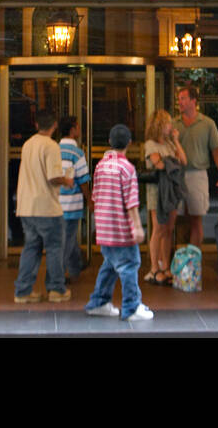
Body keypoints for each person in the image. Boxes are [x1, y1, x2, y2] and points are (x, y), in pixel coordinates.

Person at [85, 123, 153, 321]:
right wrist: (138, 227)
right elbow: (131, 202)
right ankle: (131, 307)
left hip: (104, 228)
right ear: (129, 143)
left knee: (111, 264)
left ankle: (99, 302)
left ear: (109, 142)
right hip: (121, 229)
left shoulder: (100, 165)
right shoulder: (127, 168)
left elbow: (96, 196)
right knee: (130, 264)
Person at [13, 110, 74, 303]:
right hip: (46, 207)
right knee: (55, 247)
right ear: (55, 125)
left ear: (36, 125)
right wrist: (67, 181)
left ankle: (22, 291)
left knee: (31, 247)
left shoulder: (28, 144)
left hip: (26, 206)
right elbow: (53, 176)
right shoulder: (51, 146)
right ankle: (56, 289)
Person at [174, 84, 218, 247]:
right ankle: (176, 258)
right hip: (176, 176)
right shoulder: (173, 123)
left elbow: (216, 151)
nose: (180, 102)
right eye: (179, 99)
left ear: (193, 101)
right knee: (176, 217)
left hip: (197, 175)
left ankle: (193, 260)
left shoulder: (207, 123)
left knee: (196, 218)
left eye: (183, 98)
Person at [143, 108, 187, 285]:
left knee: (169, 228)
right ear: (160, 125)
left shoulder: (169, 144)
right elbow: (159, 164)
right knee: (158, 228)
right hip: (157, 191)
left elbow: (183, 161)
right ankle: (154, 268)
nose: (171, 126)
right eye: (168, 122)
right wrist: (171, 162)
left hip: (172, 190)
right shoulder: (150, 144)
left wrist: (176, 142)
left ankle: (166, 266)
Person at [57, 115, 92, 283]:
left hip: (55, 204)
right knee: (67, 238)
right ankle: (59, 275)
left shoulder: (54, 150)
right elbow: (83, 180)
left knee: (66, 236)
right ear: (72, 130)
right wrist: (90, 200)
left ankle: (76, 265)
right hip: (72, 204)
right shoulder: (77, 153)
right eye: (77, 127)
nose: (79, 130)